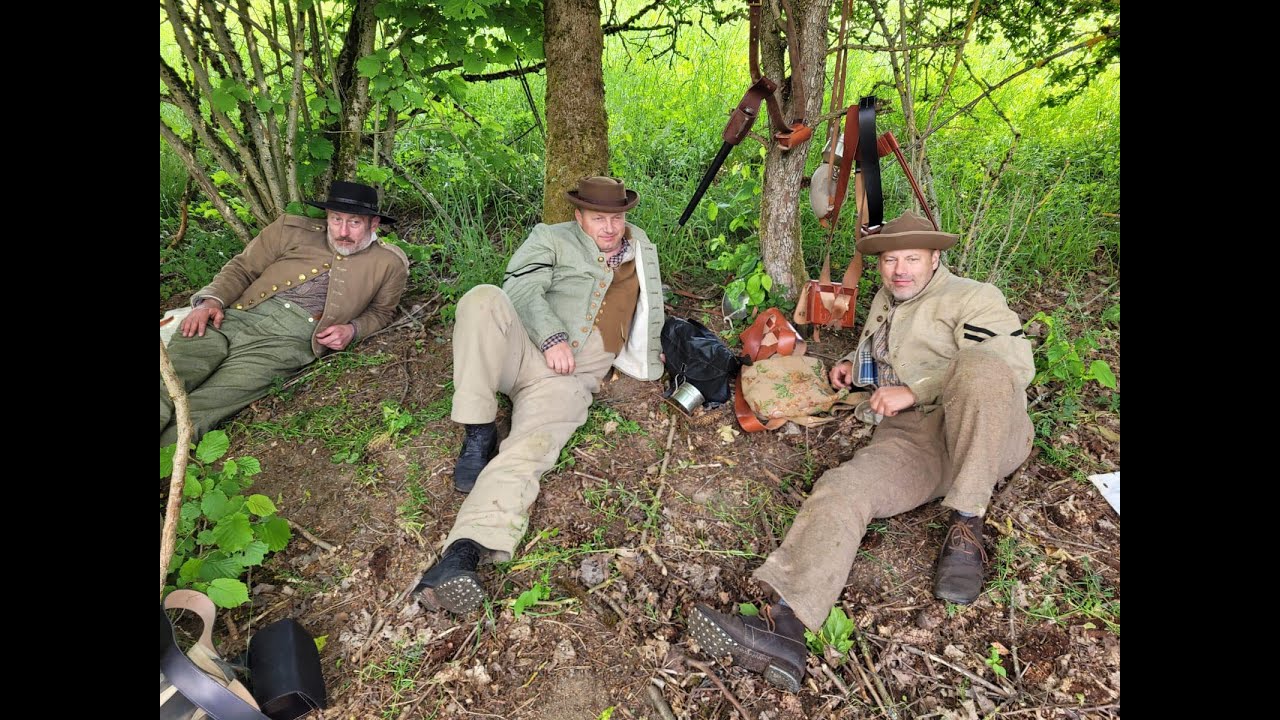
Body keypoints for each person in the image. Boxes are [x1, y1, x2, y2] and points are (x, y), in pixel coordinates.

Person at [688, 210, 1035, 693]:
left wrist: (914, 390)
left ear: (935, 258)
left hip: (989, 430)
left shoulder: (973, 297)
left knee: (980, 363)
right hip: (915, 438)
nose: (900, 270)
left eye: (912, 258)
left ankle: (967, 524)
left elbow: (1009, 367)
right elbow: (889, 350)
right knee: (841, 489)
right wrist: (855, 367)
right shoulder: (887, 297)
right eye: (890, 260)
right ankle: (785, 626)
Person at [414, 176, 664, 614]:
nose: (610, 227)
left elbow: (653, 307)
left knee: (529, 452)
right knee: (482, 299)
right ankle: (478, 430)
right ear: (579, 216)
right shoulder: (550, 238)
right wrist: (551, 336)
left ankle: (462, 553)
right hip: (525, 351)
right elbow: (521, 286)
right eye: (599, 218)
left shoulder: (641, 249)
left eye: (617, 218)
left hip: (567, 382)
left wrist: (662, 351)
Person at [160, 181, 409, 446]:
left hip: (284, 342)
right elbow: (242, 268)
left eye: (355, 223)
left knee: (210, 402)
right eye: (336, 220)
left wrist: (353, 329)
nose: (343, 231)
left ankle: (169, 459)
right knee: (170, 378)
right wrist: (209, 302)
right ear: (328, 216)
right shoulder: (290, 230)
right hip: (233, 316)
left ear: (374, 223)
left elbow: (382, 312)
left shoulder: (389, 263)